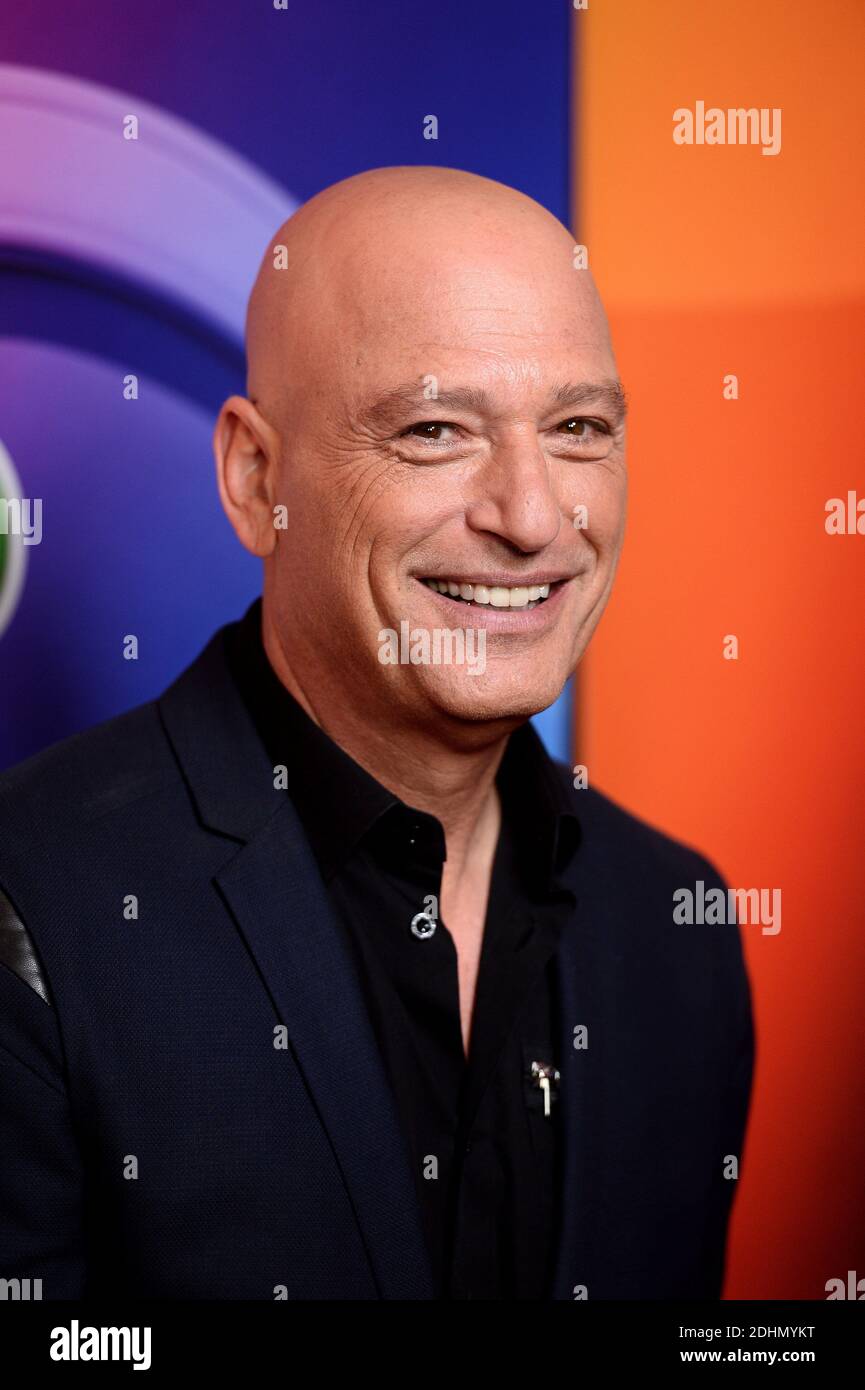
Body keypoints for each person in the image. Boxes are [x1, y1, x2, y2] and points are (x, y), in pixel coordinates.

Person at [0, 167, 753, 1300]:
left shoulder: (676, 929)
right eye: (437, 428)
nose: (533, 516)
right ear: (258, 478)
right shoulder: (33, 907)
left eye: (579, 427)